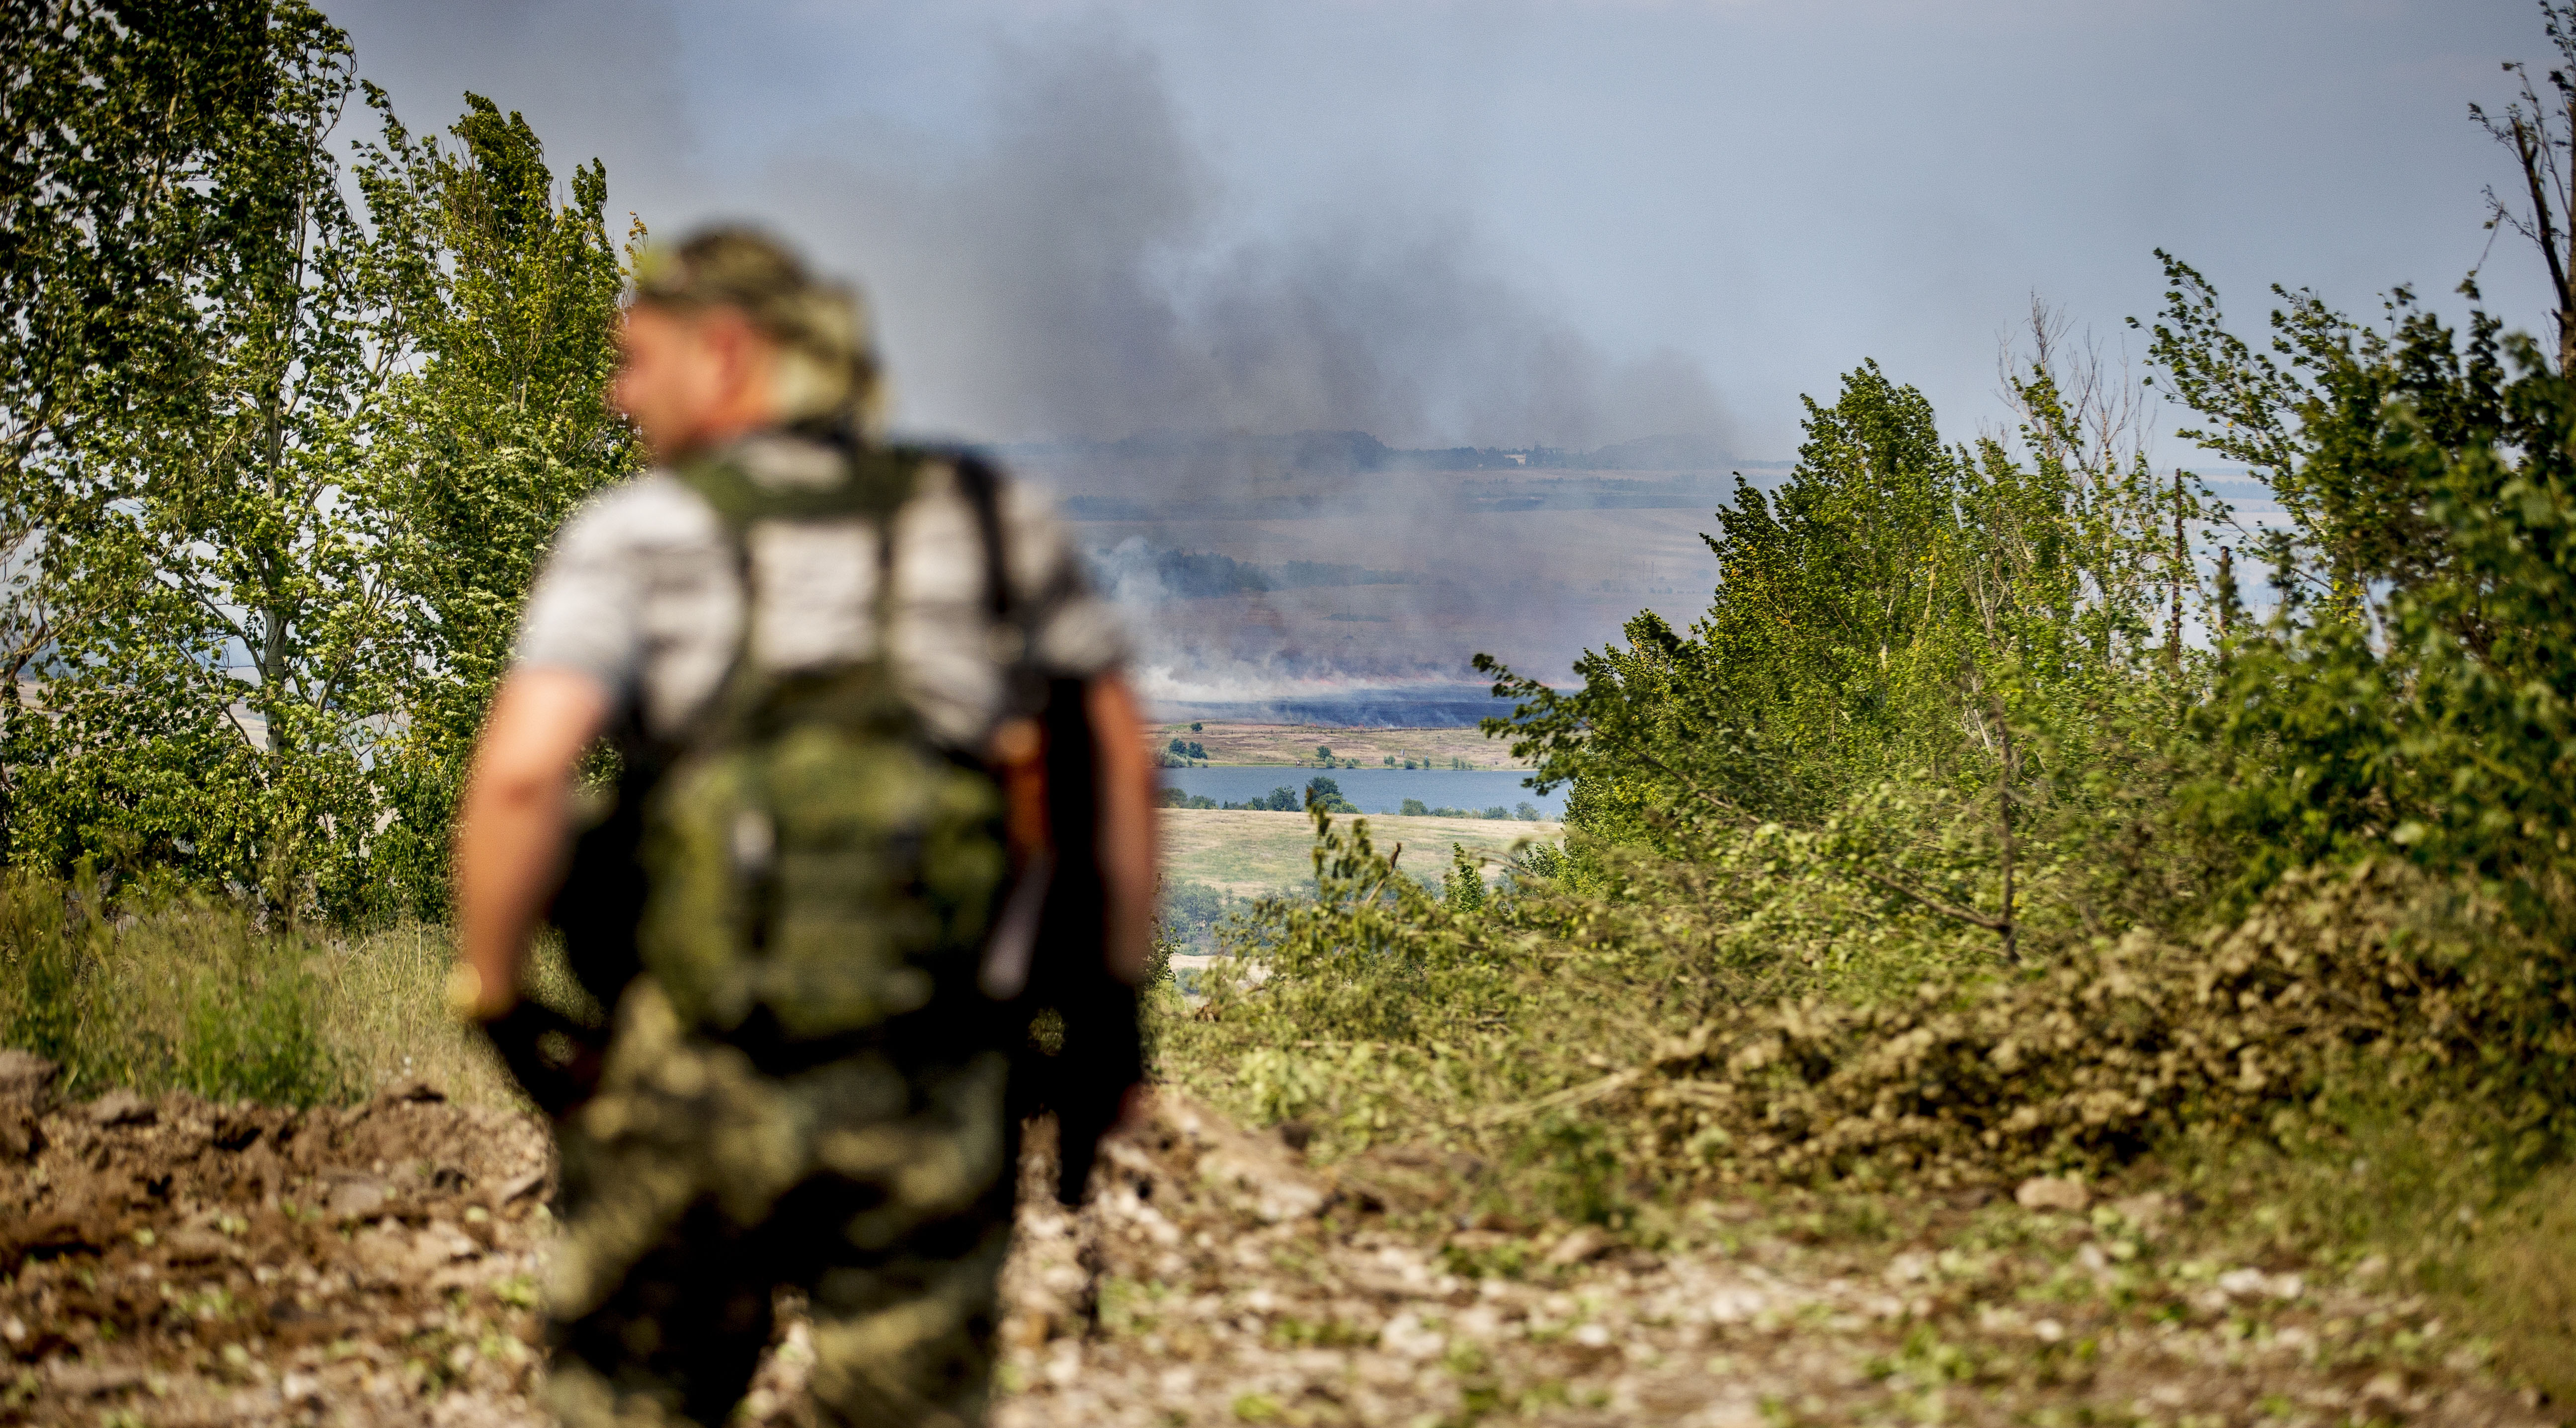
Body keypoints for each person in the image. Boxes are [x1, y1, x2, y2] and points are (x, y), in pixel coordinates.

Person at [448, 228, 1156, 1428]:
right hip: (926, 1079)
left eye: (639, 358)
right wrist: (1108, 1018)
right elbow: (1119, 761)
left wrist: (504, 1001)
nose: (621, 393)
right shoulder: (992, 521)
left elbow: (521, 776)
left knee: (629, 1401)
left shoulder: (635, 536)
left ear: (726, 353)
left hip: (693, 1073)